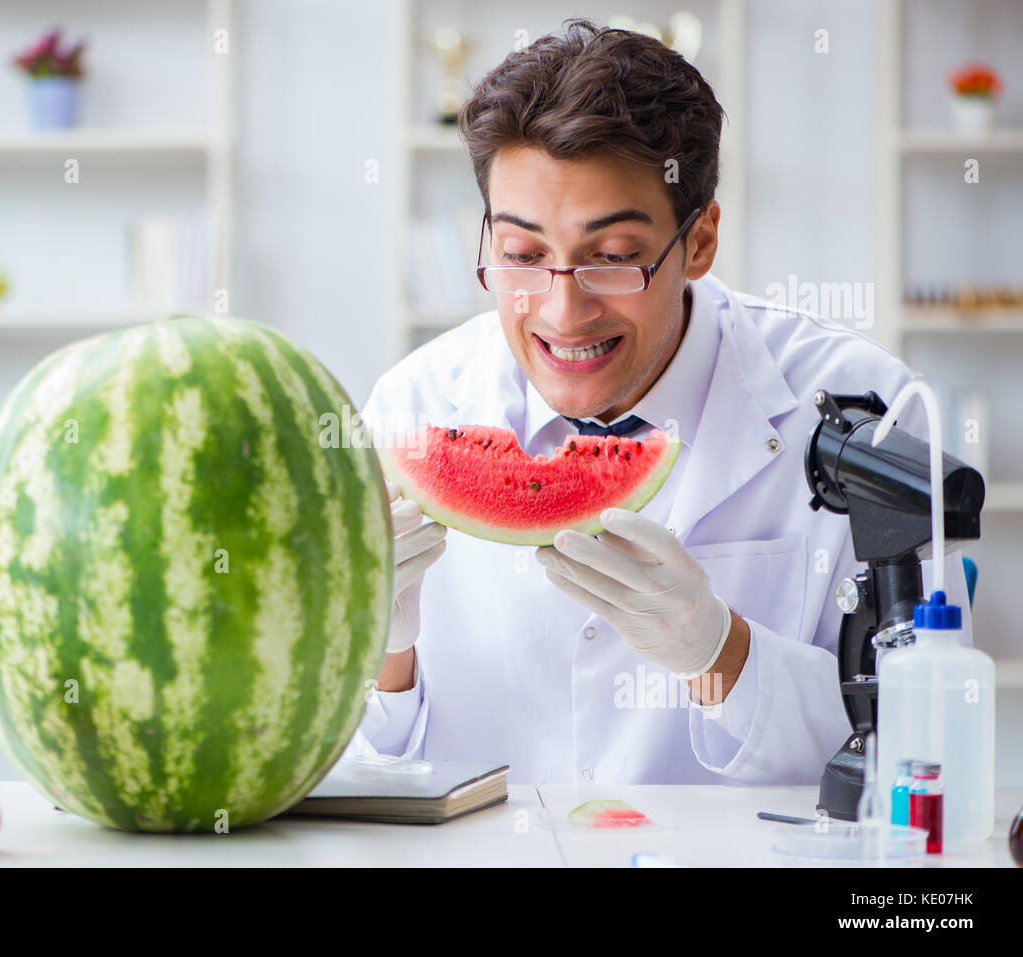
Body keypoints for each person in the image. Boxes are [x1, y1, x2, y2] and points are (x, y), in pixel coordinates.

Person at [358, 20, 973, 785]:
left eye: (612, 258)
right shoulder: (411, 403)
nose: (561, 311)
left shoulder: (867, 408)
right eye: (521, 256)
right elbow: (358, 777)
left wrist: (721, 653)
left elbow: (929, 745)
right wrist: (377, 648)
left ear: (701, 240)